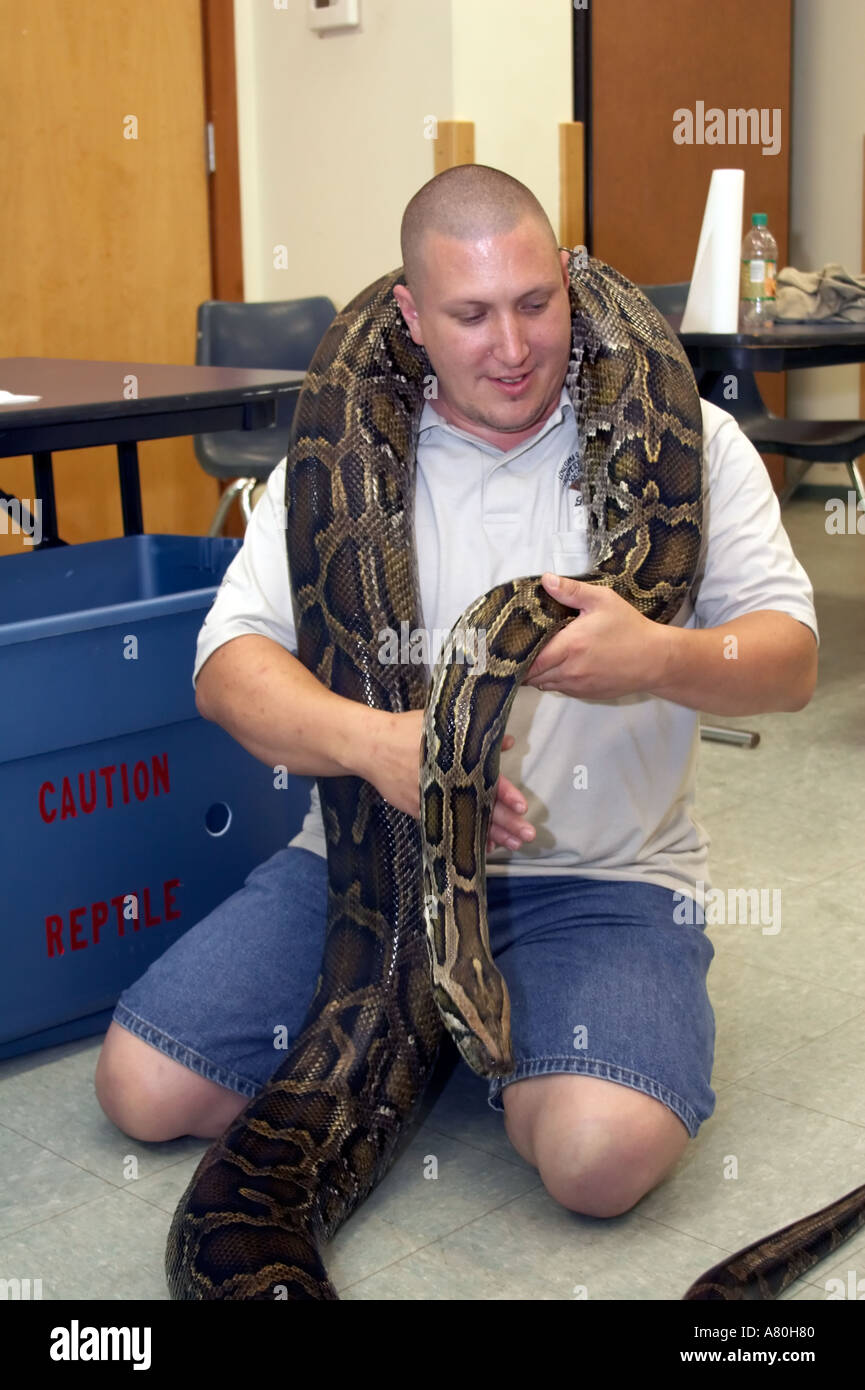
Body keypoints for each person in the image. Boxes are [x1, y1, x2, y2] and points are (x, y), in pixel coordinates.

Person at [95, 165, 818, 1221]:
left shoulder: (693, 440)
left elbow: (792, 662)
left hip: (599, 879)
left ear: (570, 281)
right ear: (410, 316)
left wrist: (659, 657)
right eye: (471, 315)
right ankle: (444, 1032)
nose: (514, 347)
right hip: (361, 857)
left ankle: (454, 1038)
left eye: (535, 303)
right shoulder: (335, 457)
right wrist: (384, 747)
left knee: (597, 1159)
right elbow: (224, 669)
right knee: (144, 1089)